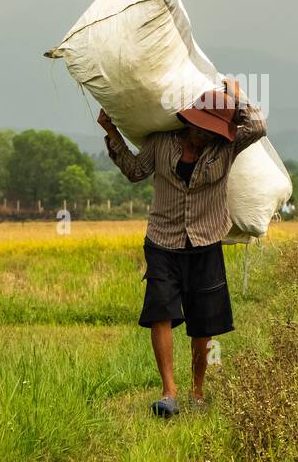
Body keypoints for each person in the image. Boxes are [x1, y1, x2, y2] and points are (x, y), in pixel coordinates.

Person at [98, 79, 266, 418]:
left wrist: (235, 95)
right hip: (162, 241)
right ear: (189, 121)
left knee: (203, 324)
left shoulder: (225, 148)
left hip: (205, 243)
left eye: (213, 131)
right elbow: (134, 171)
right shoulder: (161, 145)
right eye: (202, 128)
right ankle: (169, 393)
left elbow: (258, 126)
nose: (206, 136)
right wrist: (111, 131)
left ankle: (197, 392)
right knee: (160, 312)